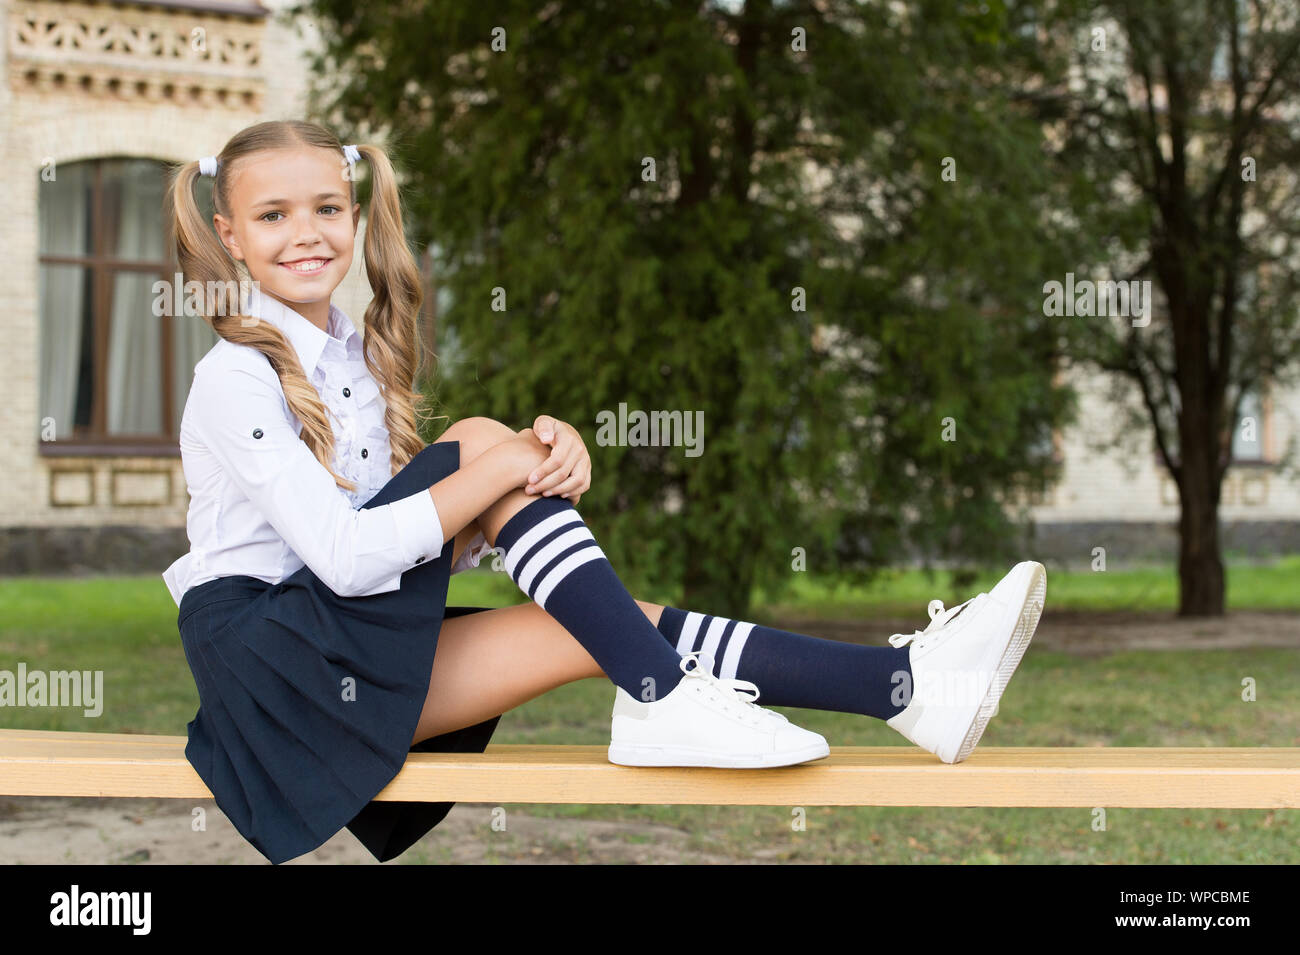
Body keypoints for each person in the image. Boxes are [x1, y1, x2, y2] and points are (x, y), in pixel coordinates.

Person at [161, 119, 1047, 865]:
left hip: (330, 632)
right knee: (477, 438)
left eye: (325, 208)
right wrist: (497, 463)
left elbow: (415, 541)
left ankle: (908, 689)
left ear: (355, 214)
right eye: (273, 215)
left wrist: (528, 463)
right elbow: (351, 559)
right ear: (229, 233)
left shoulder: (356, 354)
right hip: (271, 666)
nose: (305, 233)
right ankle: (667, 697)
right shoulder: (235, 377)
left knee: (605, 618)